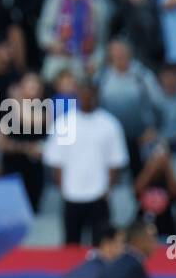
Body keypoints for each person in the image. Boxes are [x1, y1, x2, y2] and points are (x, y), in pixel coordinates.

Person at [43, 80, 129, 245]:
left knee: (102, 245)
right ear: (77, 95)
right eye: (83, 93)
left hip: (99, 195)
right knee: (71, 244)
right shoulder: (64, 123)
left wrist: (107, 190)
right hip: (71, 195)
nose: (87, 97)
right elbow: (56, 161)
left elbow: (115, 162)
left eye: (90, 93)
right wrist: (64, 189)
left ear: (97, 95)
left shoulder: (109, 124)